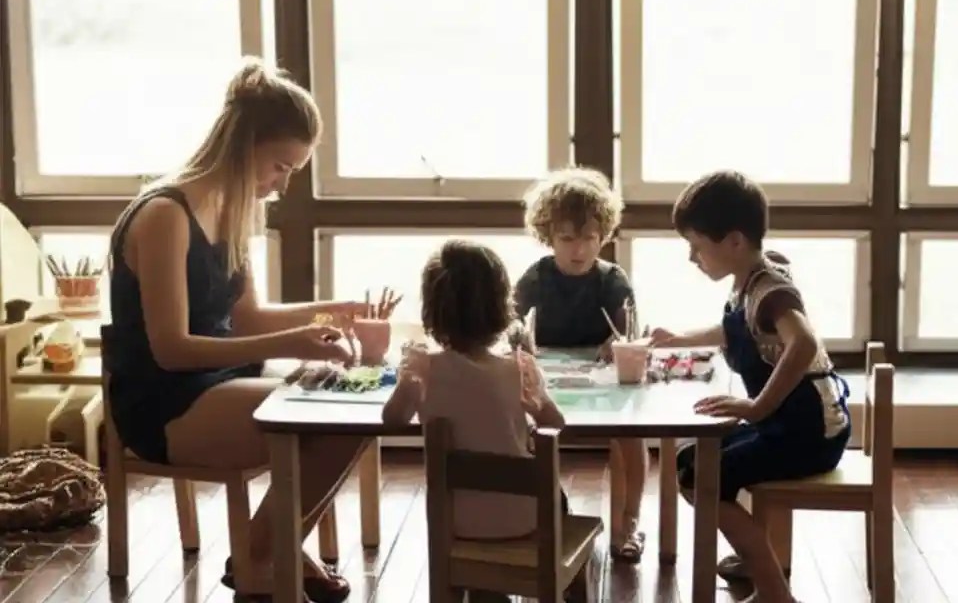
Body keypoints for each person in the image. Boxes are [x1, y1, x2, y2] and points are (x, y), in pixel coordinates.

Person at [102, 57, 372, 602]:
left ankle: (265, 550)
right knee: (336, 416)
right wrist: (291, 343)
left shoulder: (232, 208)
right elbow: (170, 349)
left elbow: (246, 318)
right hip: (166, 401)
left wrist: (331, 310)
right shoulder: (164, 215)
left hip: (221, 381)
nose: (283, 184)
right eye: (281, 166)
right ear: (243, 142)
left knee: (358, 410)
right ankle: (263, 556)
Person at [650, 170, 851, 603]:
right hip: (784, 422)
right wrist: (677, 339)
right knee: (692, 458)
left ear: (735, 242)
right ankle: (752, 551)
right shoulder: (746, 282)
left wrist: (756, 406)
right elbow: (734, 331)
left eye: (697, 246)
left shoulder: (771, 289)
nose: (692, 258)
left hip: (809, 431)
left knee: (700, 478)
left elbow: (804, 343)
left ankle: (774, 591)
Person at [382, 240, 571, 602]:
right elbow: (557, 425)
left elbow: (392, 421)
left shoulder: (426, 371)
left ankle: (486, 591)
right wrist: (539, 404)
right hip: (524, 517)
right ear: (501, 305)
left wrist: (409, 384)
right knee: (557, 496)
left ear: (432, 309)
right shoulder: (518, 370)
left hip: (454, 519)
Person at [513, 167, 650, 562]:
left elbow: (627, 335)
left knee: (633, 433)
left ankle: (630, 522)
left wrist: (617, 342)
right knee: (514, 426)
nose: (579, 250)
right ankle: (541, 514)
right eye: (567, 238)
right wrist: (518, 334)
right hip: (547, 386)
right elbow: (508, 322)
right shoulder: (536, 278)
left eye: (589, 238)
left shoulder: (612, 280)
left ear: (603, 235)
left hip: (603, 386)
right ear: (548, 237)